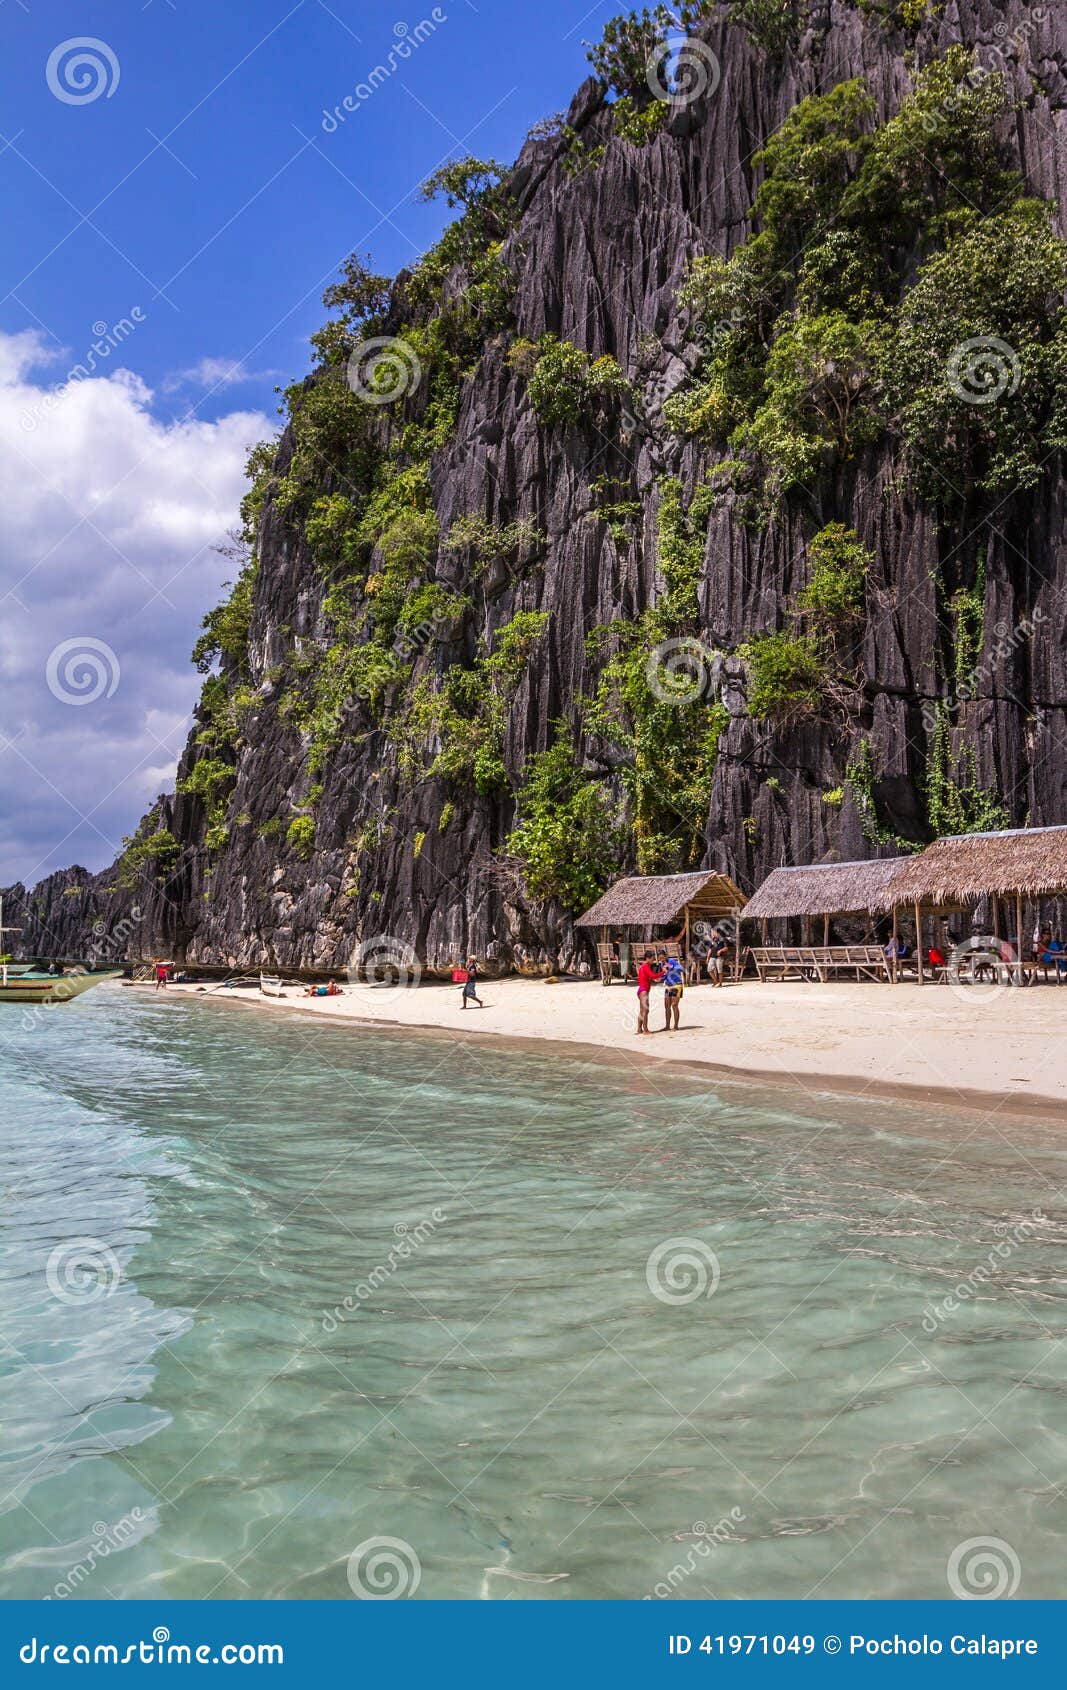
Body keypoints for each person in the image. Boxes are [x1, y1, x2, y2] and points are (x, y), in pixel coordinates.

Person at [635, 953, 663, 1034]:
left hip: (642, 990)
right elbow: (653, 976)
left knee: (642, 1010)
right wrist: (663, 972)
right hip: (643, 991)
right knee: (645, 1010)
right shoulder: (645, 966)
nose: (653, 960)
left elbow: (648, 977)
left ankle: (639, 1029)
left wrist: (655, 978)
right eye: (652, 959)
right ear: (647, 958)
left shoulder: (643, 966)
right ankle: (645, 1030)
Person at [662, 952, 684, 1030]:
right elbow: (665, 975)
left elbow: (682, 969)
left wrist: (671, 966)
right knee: (667, 1006)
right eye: (660, 958)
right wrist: (659, 978)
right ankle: (667, 1026)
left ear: (666, 956)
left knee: (674, 1005)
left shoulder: (672, 961)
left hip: (677, 985)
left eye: (662, 957)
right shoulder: (662, 964)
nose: (661, 959)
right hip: (668, 986)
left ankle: (676, 1026)